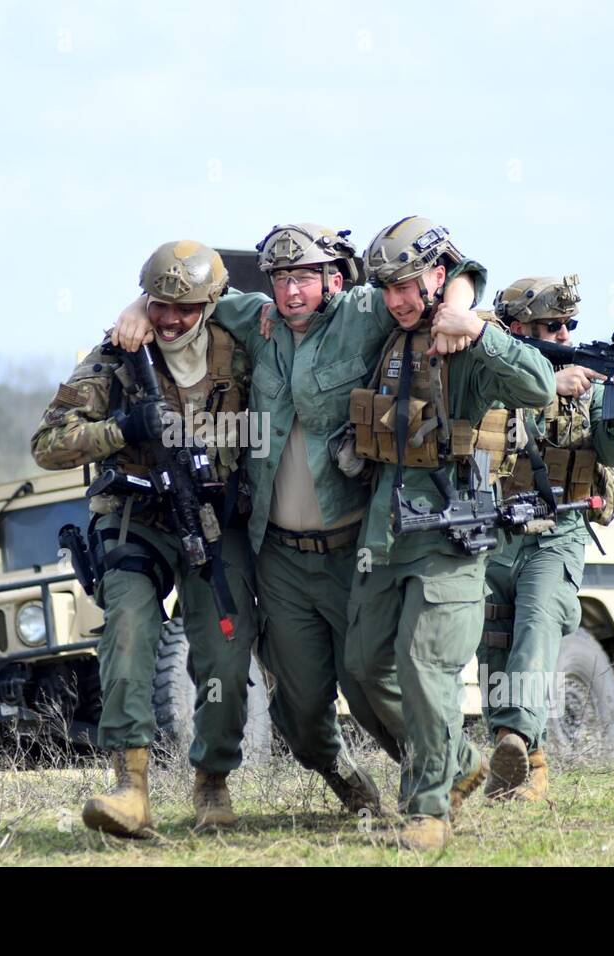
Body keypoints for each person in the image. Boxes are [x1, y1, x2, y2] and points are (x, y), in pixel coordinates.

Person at [113, 221, 485, 815]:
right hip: (279, 555)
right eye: (281, 278)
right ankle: (348, 782)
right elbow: (183, 294)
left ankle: (446, 771)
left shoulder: (367, 313)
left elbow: (451, 272)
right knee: (300, 709)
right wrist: (136, 305)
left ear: (332, 279)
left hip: (352, 547)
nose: (290, 292)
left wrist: (462, 306)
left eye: (304, 278)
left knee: (371, 684)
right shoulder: (255, 322)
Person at [342, 217, 556, 850]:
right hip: (387, 527)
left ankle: (428, 808)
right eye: (387, 289)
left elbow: (540, 385)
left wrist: (473, 326)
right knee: (360, 669)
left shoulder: (466, 343)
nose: (396, 301)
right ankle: (459, 761)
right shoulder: (389, 329)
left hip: (451, 529)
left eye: (407, 286)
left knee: (426, 665)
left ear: (436, 278)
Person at [30, 240, 257, 836]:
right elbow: (48, 445)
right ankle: (131, 787)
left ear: (211, 304)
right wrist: (120, 429)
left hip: (217, 520)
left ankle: (212, 781)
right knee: (129, 629)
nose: (171, 320)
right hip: (136, 517)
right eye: (159, 305)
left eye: (185, 309)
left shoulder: (245, 348)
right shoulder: (117, 357)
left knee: (225, 657)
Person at [480, 275, 614, 800]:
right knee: (494, 648)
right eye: (550, 326)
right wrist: (546, 389)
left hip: (560, 528)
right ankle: (528, 762)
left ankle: (513, 736)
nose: (563, 334)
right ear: (516, 329)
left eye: (568, 325)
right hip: (494, 527)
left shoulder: (591, 383)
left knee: (537, 627)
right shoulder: (488, 373)